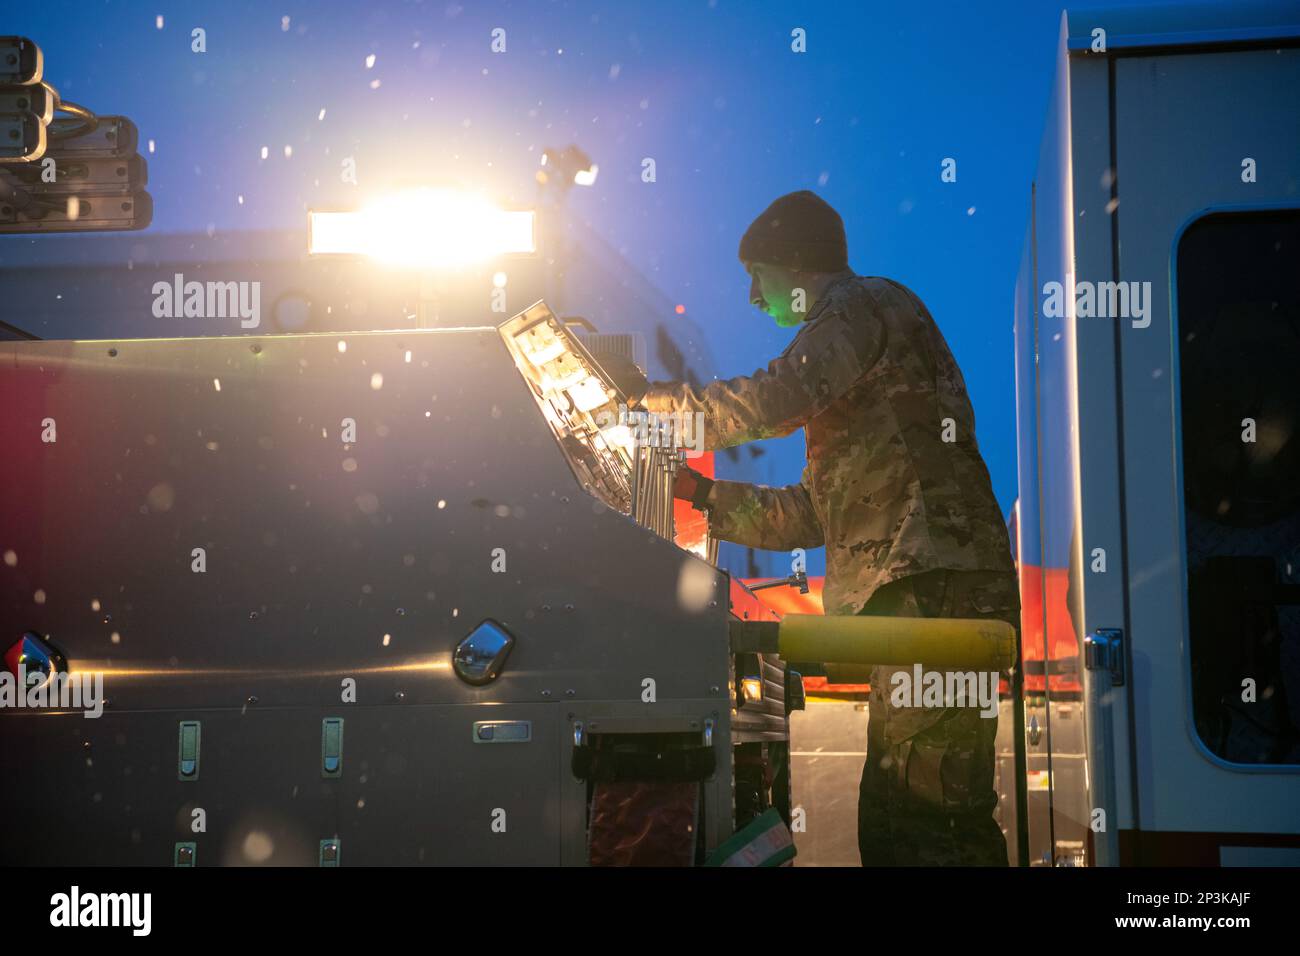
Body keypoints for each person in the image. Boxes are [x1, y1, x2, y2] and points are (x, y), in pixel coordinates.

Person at [612, 190, 1020, 866]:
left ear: (795, 268)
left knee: (926, 821)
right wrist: (701, 491)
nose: (750, 296)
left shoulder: (858, 309)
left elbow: (772, 401)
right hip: (927, 593)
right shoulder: (860, 349)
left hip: (936, 589)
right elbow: (813, 513)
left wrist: (645, 409)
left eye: (758, 276)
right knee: (903, 813)